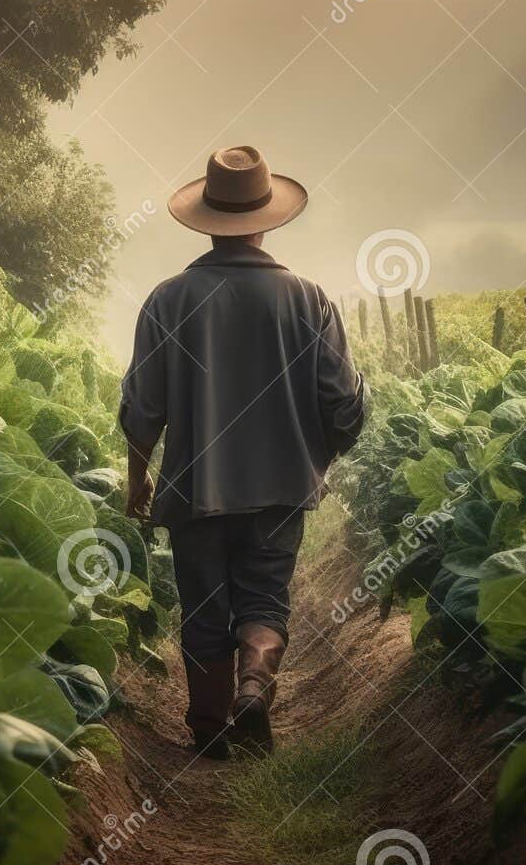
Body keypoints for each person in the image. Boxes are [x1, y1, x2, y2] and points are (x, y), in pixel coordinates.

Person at [119, 146, 367, 759]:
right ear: (266, 218)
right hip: (280, 488)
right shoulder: (309, 300)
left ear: (207, 219)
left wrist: (136, 479)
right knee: (263, 597)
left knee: (204, 605)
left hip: (194, 486)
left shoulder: (167, 300)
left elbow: (142, 408)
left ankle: (208, 730)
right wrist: (319, 456)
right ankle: (254, 686)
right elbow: (345, 405)